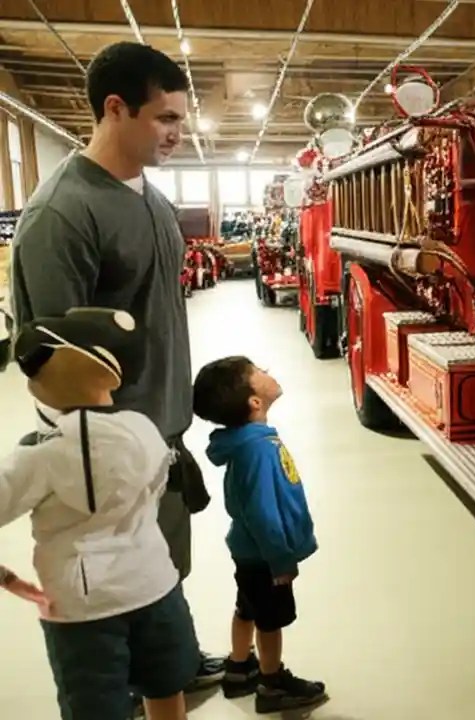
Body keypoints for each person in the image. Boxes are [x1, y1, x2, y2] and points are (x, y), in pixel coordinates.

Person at [5, 40, 225, 702]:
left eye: (180, 119)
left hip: (163, 433)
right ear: (115, 108)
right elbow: (54, 363)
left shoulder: (155, 203)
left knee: (163, 572)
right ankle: (125, 695)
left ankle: (166, 663)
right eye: (164, 119)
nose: (177, 134)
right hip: (103, 458)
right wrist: (103, 455)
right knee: (110, 595)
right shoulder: (62, 214)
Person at [0, 307, 200, 719]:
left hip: (80, 609)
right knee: (165, 687)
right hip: (155, 585)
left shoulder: (39, 456)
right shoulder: (146, 431)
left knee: (95, 708)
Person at [192, 356, 327, 713]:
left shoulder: (245, 442)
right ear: (255, 401)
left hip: (248, 553)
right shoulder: (258, 450)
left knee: (246, 606)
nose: (269, 371)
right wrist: (281, 560)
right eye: (259, 372)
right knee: (270, 621)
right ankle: (272, 683)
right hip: (266, 556)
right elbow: (262, 514)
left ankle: (239, 667)